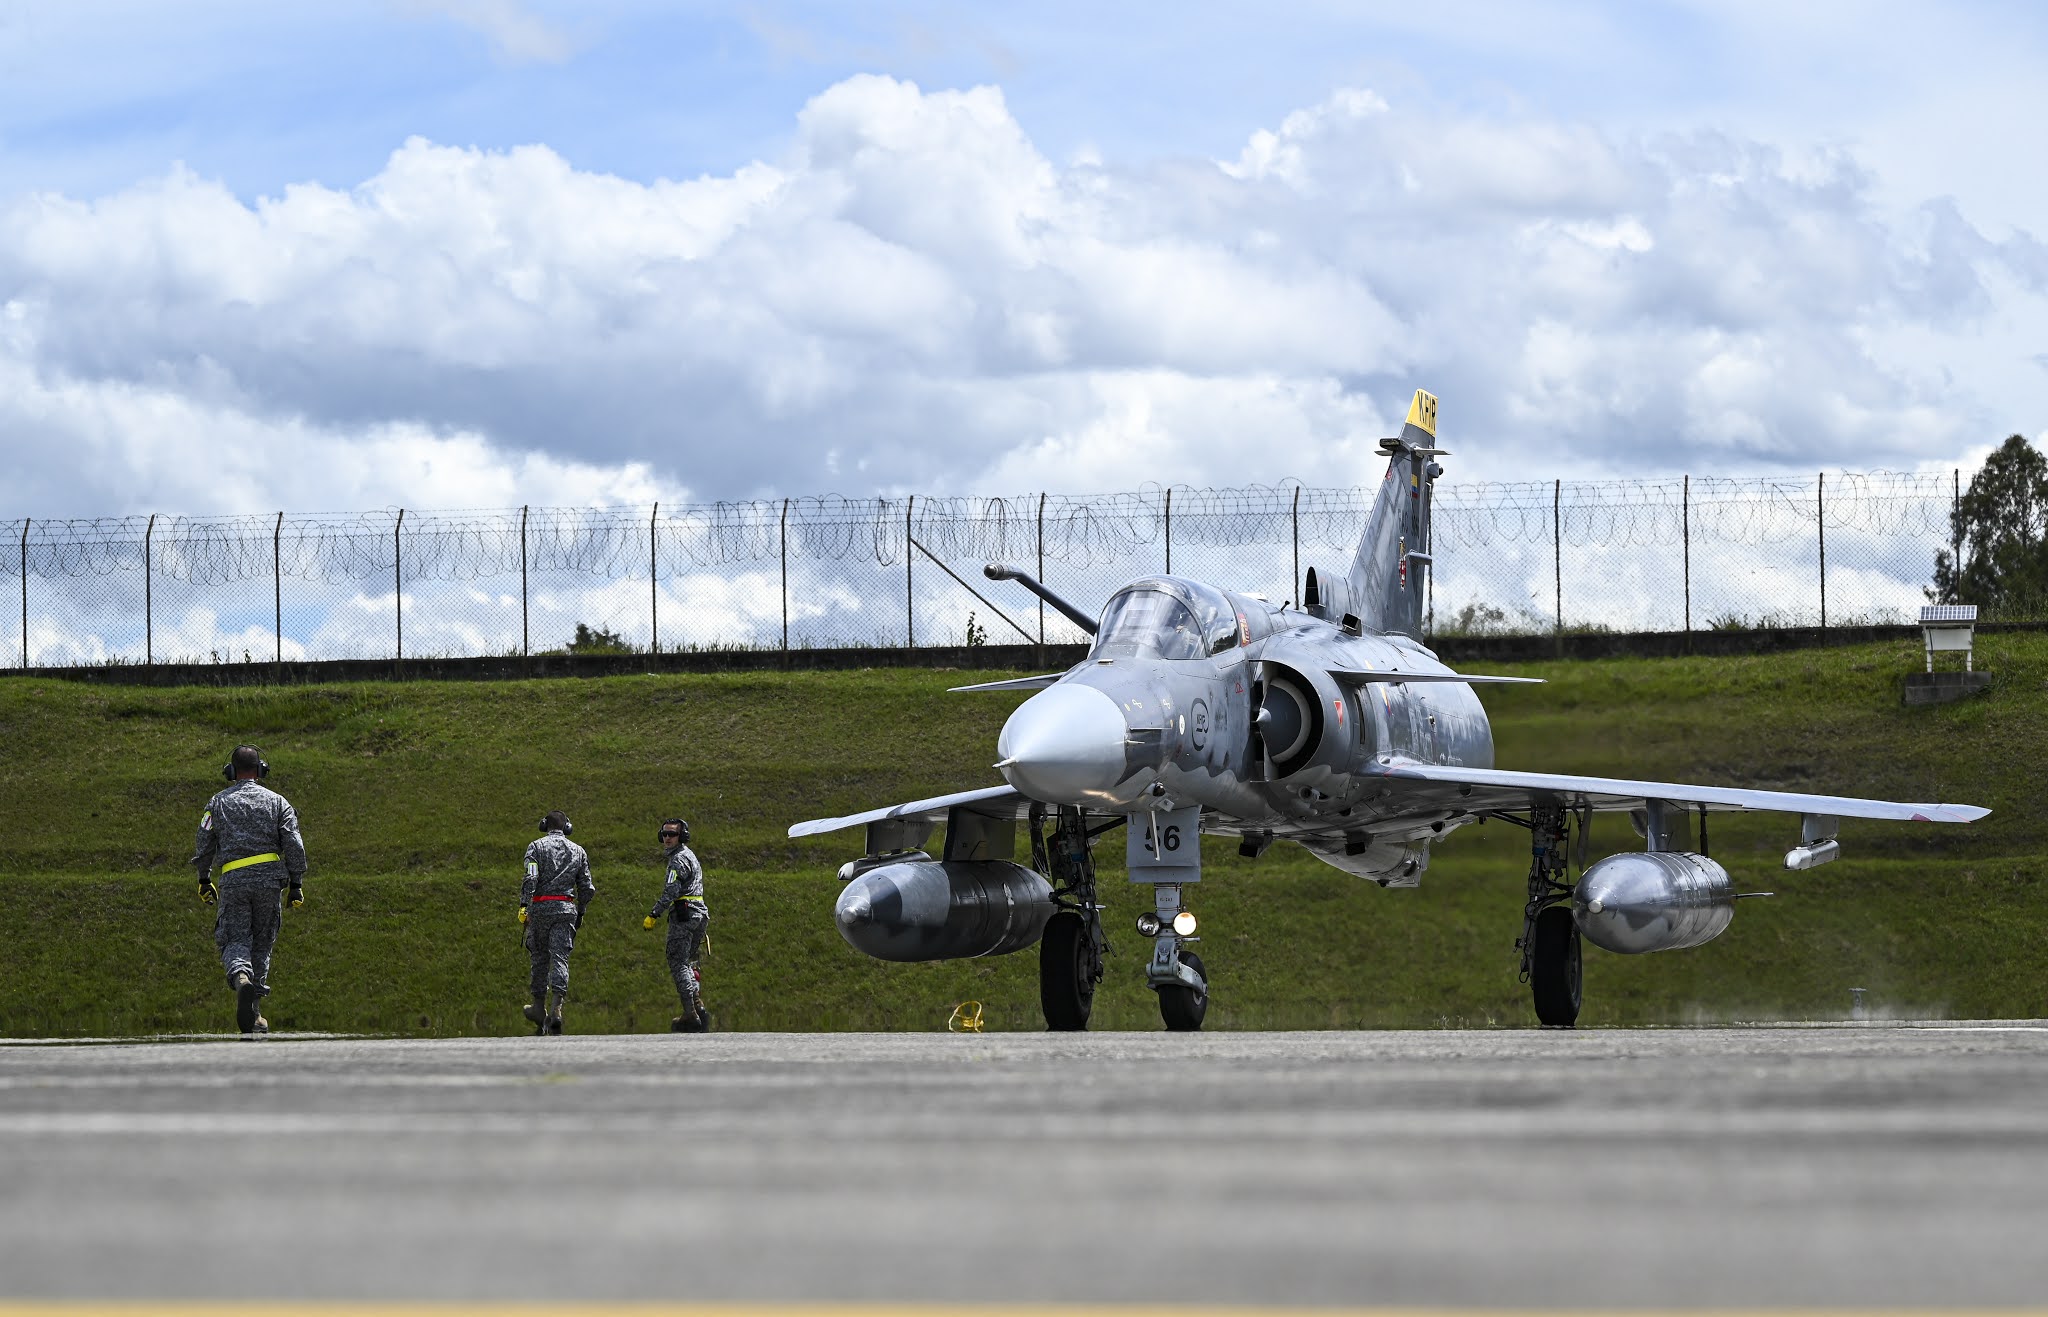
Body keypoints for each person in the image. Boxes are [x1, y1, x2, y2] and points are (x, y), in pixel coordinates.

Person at [193, 744, 308, 1035]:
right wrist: (296, 883)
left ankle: (242, 978)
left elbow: (204, 843)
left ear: (230, 772)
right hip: (269, 884)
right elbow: (294, 844)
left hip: (234, 882)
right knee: (262, 943)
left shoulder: (217, 803)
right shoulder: (278, 802)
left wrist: (204, 879)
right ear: (260, 770)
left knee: (235, 940)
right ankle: (255, 1011)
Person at [521, 810, 594, 1035]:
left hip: (541, 909)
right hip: (566, 910)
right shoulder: (578, 851)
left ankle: (538, 1006)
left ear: (544, 826)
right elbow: (586, 887)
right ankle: (557, 1008)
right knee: (560, 957)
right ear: (567, 827)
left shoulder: (535, 847)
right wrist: (580, 912)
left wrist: (525, 906)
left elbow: (531, 877)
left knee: (540, 957)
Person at [643, 817, 709, 1032]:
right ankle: (698, 1006)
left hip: (684, 913)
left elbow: (671, 891)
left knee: (677, 961)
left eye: (672, 834)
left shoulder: (678, 860)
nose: (667, 838)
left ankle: (690, 1012)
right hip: (698, 912)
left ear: (682, 836)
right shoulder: (689, 855)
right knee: (688, 961)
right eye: (664, 834)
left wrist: (654, 914)